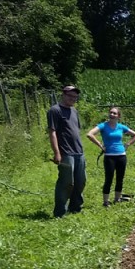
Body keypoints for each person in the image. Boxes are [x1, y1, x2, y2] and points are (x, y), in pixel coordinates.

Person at [87, 107, 135, 207]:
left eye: (114, 113)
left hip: (121, 156)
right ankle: (106, 202)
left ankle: (117, 199)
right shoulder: (103, 126)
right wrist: (100, 145)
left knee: (120, 178)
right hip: (109, 156)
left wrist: (128, 144)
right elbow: (90, 134)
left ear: (118, 116)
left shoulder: (121, 127)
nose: (112, 114)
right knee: (109, 179)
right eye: (110, 113)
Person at [47, 85, 86, 218]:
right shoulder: (55, 110)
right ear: (63, 95)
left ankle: (75, 208)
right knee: (66, 182)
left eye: (75, 97)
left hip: (78, 151)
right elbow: (52, 132)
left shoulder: (74, 111)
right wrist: (57, 152)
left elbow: (76, 130)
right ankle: (60, 212)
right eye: (70, 96)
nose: (73, 99)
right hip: (65, 152)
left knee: (81, 181)